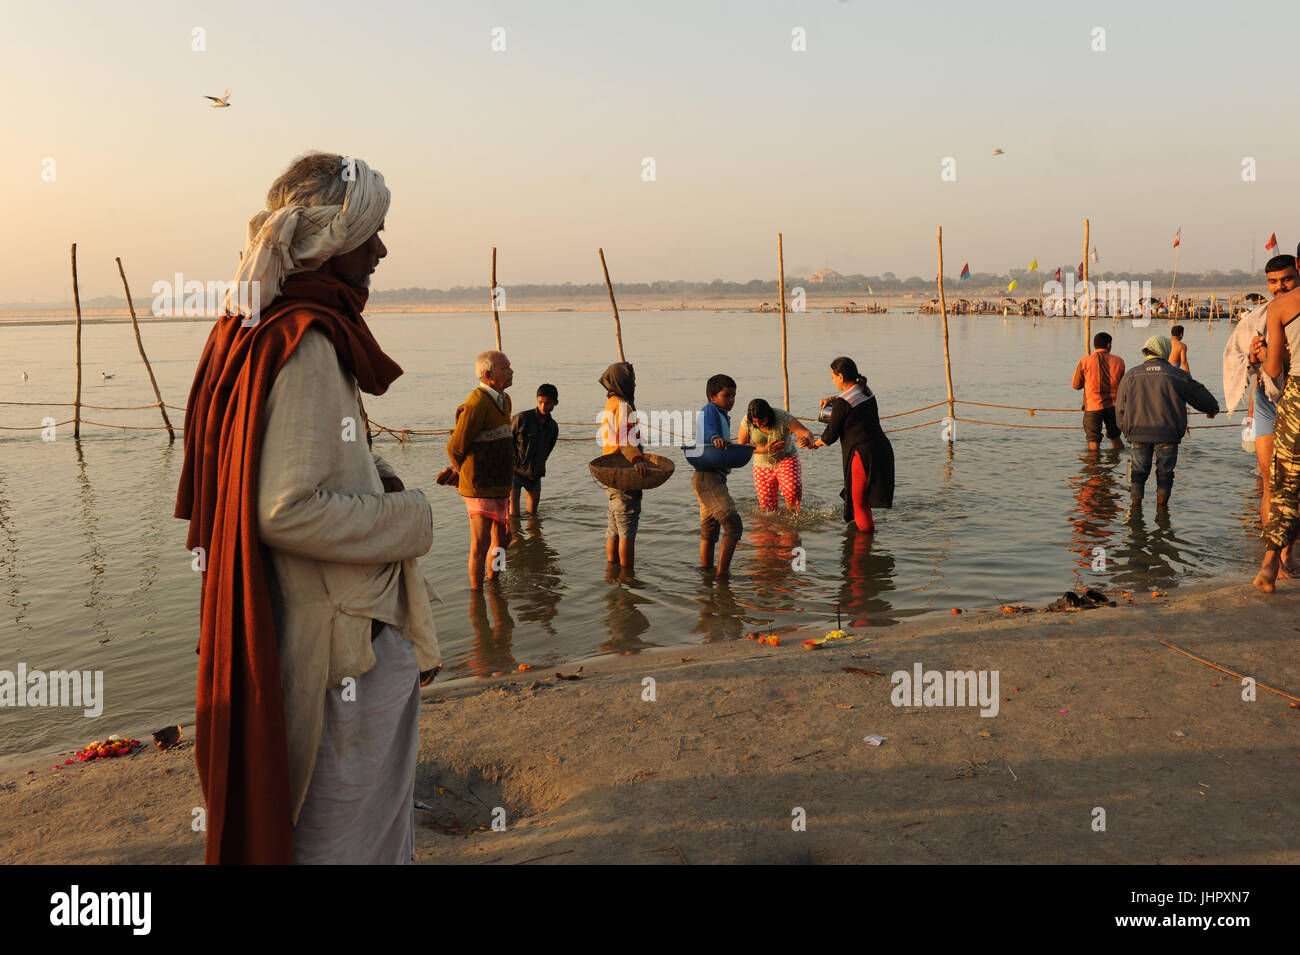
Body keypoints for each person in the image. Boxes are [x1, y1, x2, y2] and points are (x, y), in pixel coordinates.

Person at [175, 153, 442, 865]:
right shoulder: (307, 341)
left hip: (321, 637)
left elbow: (289, 469)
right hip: (342, 654)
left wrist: (370, 472)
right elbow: (285, 507)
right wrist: (411, 516)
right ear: (333, 235)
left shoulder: (263, 325)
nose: (382, 248)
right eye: (372, 233)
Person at [1223, 254, 1298, 570]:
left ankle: (1285, 551)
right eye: (1272, 282)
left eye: (1286, 280)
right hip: (1268, 402)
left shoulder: (1287, 310)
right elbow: (1234, 358)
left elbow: (1278, 362)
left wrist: (1269, 356)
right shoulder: (1255, 319)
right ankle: (1278, 558)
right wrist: (1252, 358)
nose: (1279, 287)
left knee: (1292, 482)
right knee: (1271, 480)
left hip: (1292, 399)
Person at [1115, 335, 1219, 511]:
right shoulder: (1176, 375)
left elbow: (1120, 409)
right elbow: (1198, 394)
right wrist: (1212, 409)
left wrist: (1126, 430)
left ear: (1145, 352)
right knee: (1165, 474)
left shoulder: (1131, 375)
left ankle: (1136, 508)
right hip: (1167, 433)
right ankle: (1162, 511)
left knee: (1138, 473)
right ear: (1164, 351)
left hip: (1138, 433)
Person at [441, 351, 515, 590]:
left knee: (503, 539)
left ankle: (495, 582)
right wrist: (460, 471)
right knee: (481, 544)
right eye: (506, 368)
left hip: (501, 483)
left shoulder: (505, 399)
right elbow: (455, 447)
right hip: (480, 485)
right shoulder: (476, 404)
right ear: (489, 375)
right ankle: (477, 592)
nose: (511, 371)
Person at [802, 356, 895, 532]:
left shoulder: (842, 403)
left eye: (832, 377)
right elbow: (848, 400)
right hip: (881, 448)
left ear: (841, 377)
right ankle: (867, 538)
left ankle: (864, 546)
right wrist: (833, 398)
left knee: (858, 502)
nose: (833, 380)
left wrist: (814, 444)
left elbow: (830, 436)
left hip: (861, 454)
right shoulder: (865, 390)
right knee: (864, 500)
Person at [1253, 279, 1300, 591]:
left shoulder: (1281, 305)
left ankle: (1270, 564)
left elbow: (1272, 370)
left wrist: (1266, 354)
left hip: (1296, 394)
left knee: (1285, 483)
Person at [598, 362, 648, 571]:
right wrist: (638, 460)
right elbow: (626, 441)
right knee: (627, 530)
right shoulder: (623, 406)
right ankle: (627, 575)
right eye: (632, 381)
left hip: (610, 473)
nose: (635, 384)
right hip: (624, 472)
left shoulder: (611, 404)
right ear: (624, 382)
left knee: (614, 527)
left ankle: (612, 571)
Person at [692, 373, 742, 576]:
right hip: (708, 478)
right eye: (726, 395)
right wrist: (715, 438)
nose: (731, 400)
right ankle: (722, 576)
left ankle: (707, 572)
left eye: (733, 396)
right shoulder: (710, 410)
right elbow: (708, 429)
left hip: (712, 477)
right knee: (733, 525)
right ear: (712, 396)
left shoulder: (721, 413)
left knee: (710, 529)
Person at [737, 397, 814, 512]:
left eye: (762, 421)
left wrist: (805, 440)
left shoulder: (782, 417)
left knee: (792, 490)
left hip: (786, 458)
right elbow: (742, 446)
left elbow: (806, 433)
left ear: (769, 416)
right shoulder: (747, 421)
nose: (758, 425)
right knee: (767, 507)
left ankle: (791, 516)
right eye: (755, 422)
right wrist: (764, 449)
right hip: (762, 465)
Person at [1071, 332, 1126, 452]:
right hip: (1113, 406)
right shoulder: (1119, 361)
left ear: (1094, 345)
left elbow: (1076, 385)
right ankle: (1117, 464)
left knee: (1093, 442)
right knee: (1115, 438)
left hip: (1093, 406)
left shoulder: (1085, 361)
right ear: (1109, 345)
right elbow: (1123, 386)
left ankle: (1095, 468)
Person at [511, 383, 559, 517]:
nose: (543, 406)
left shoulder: (553, 427)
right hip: (514, 472)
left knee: (533, 515)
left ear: (555, 403)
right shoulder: (522, 418)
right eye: (540, 402)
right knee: (513, 516)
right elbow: (507, 440)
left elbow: (547, 451)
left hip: (535, 474)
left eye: (547, 403)